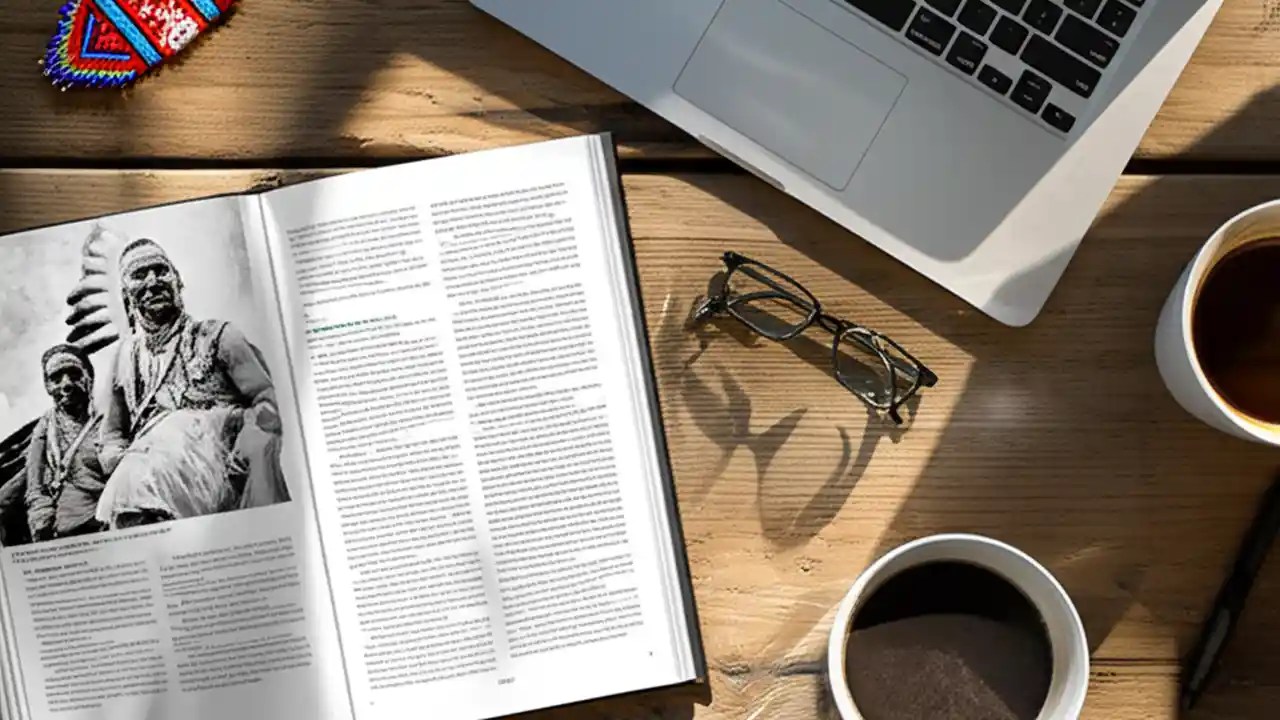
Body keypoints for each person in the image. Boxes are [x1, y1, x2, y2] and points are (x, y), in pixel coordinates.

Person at [96, 239, 289, 529]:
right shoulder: (124, 358)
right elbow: (112, 433)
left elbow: (268, 398)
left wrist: (250, 438)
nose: (153, 281)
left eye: (161, 271)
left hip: (218, 466)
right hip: (147, 475)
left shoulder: (218, 337)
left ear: (177, 281)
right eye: (139, 274)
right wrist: (118, 458)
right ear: (127, 295)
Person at [25, 345, 107, 541]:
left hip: (114, 507)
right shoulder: (46, 427)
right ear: (47, 387)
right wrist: (41, 515)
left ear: (89, 377)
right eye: (56, 378)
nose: (66, 384)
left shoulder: (108, 416)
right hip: (74, 521)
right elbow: (34, 483)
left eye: (74, 374)